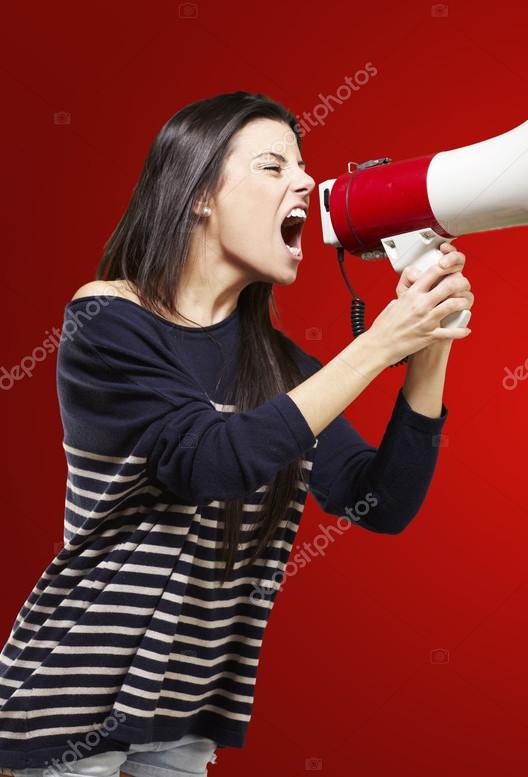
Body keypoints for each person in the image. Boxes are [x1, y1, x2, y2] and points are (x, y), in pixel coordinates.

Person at [0, 92, 472, 777]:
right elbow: (210, 462)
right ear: (198, 194)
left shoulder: (283, 369)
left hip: (187, 708)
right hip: (69, 699)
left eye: (302, 167)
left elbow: (381, 501)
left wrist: (430, 348)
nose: (305, 182)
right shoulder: (107, 318)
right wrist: (379, 345)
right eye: (274, 166)